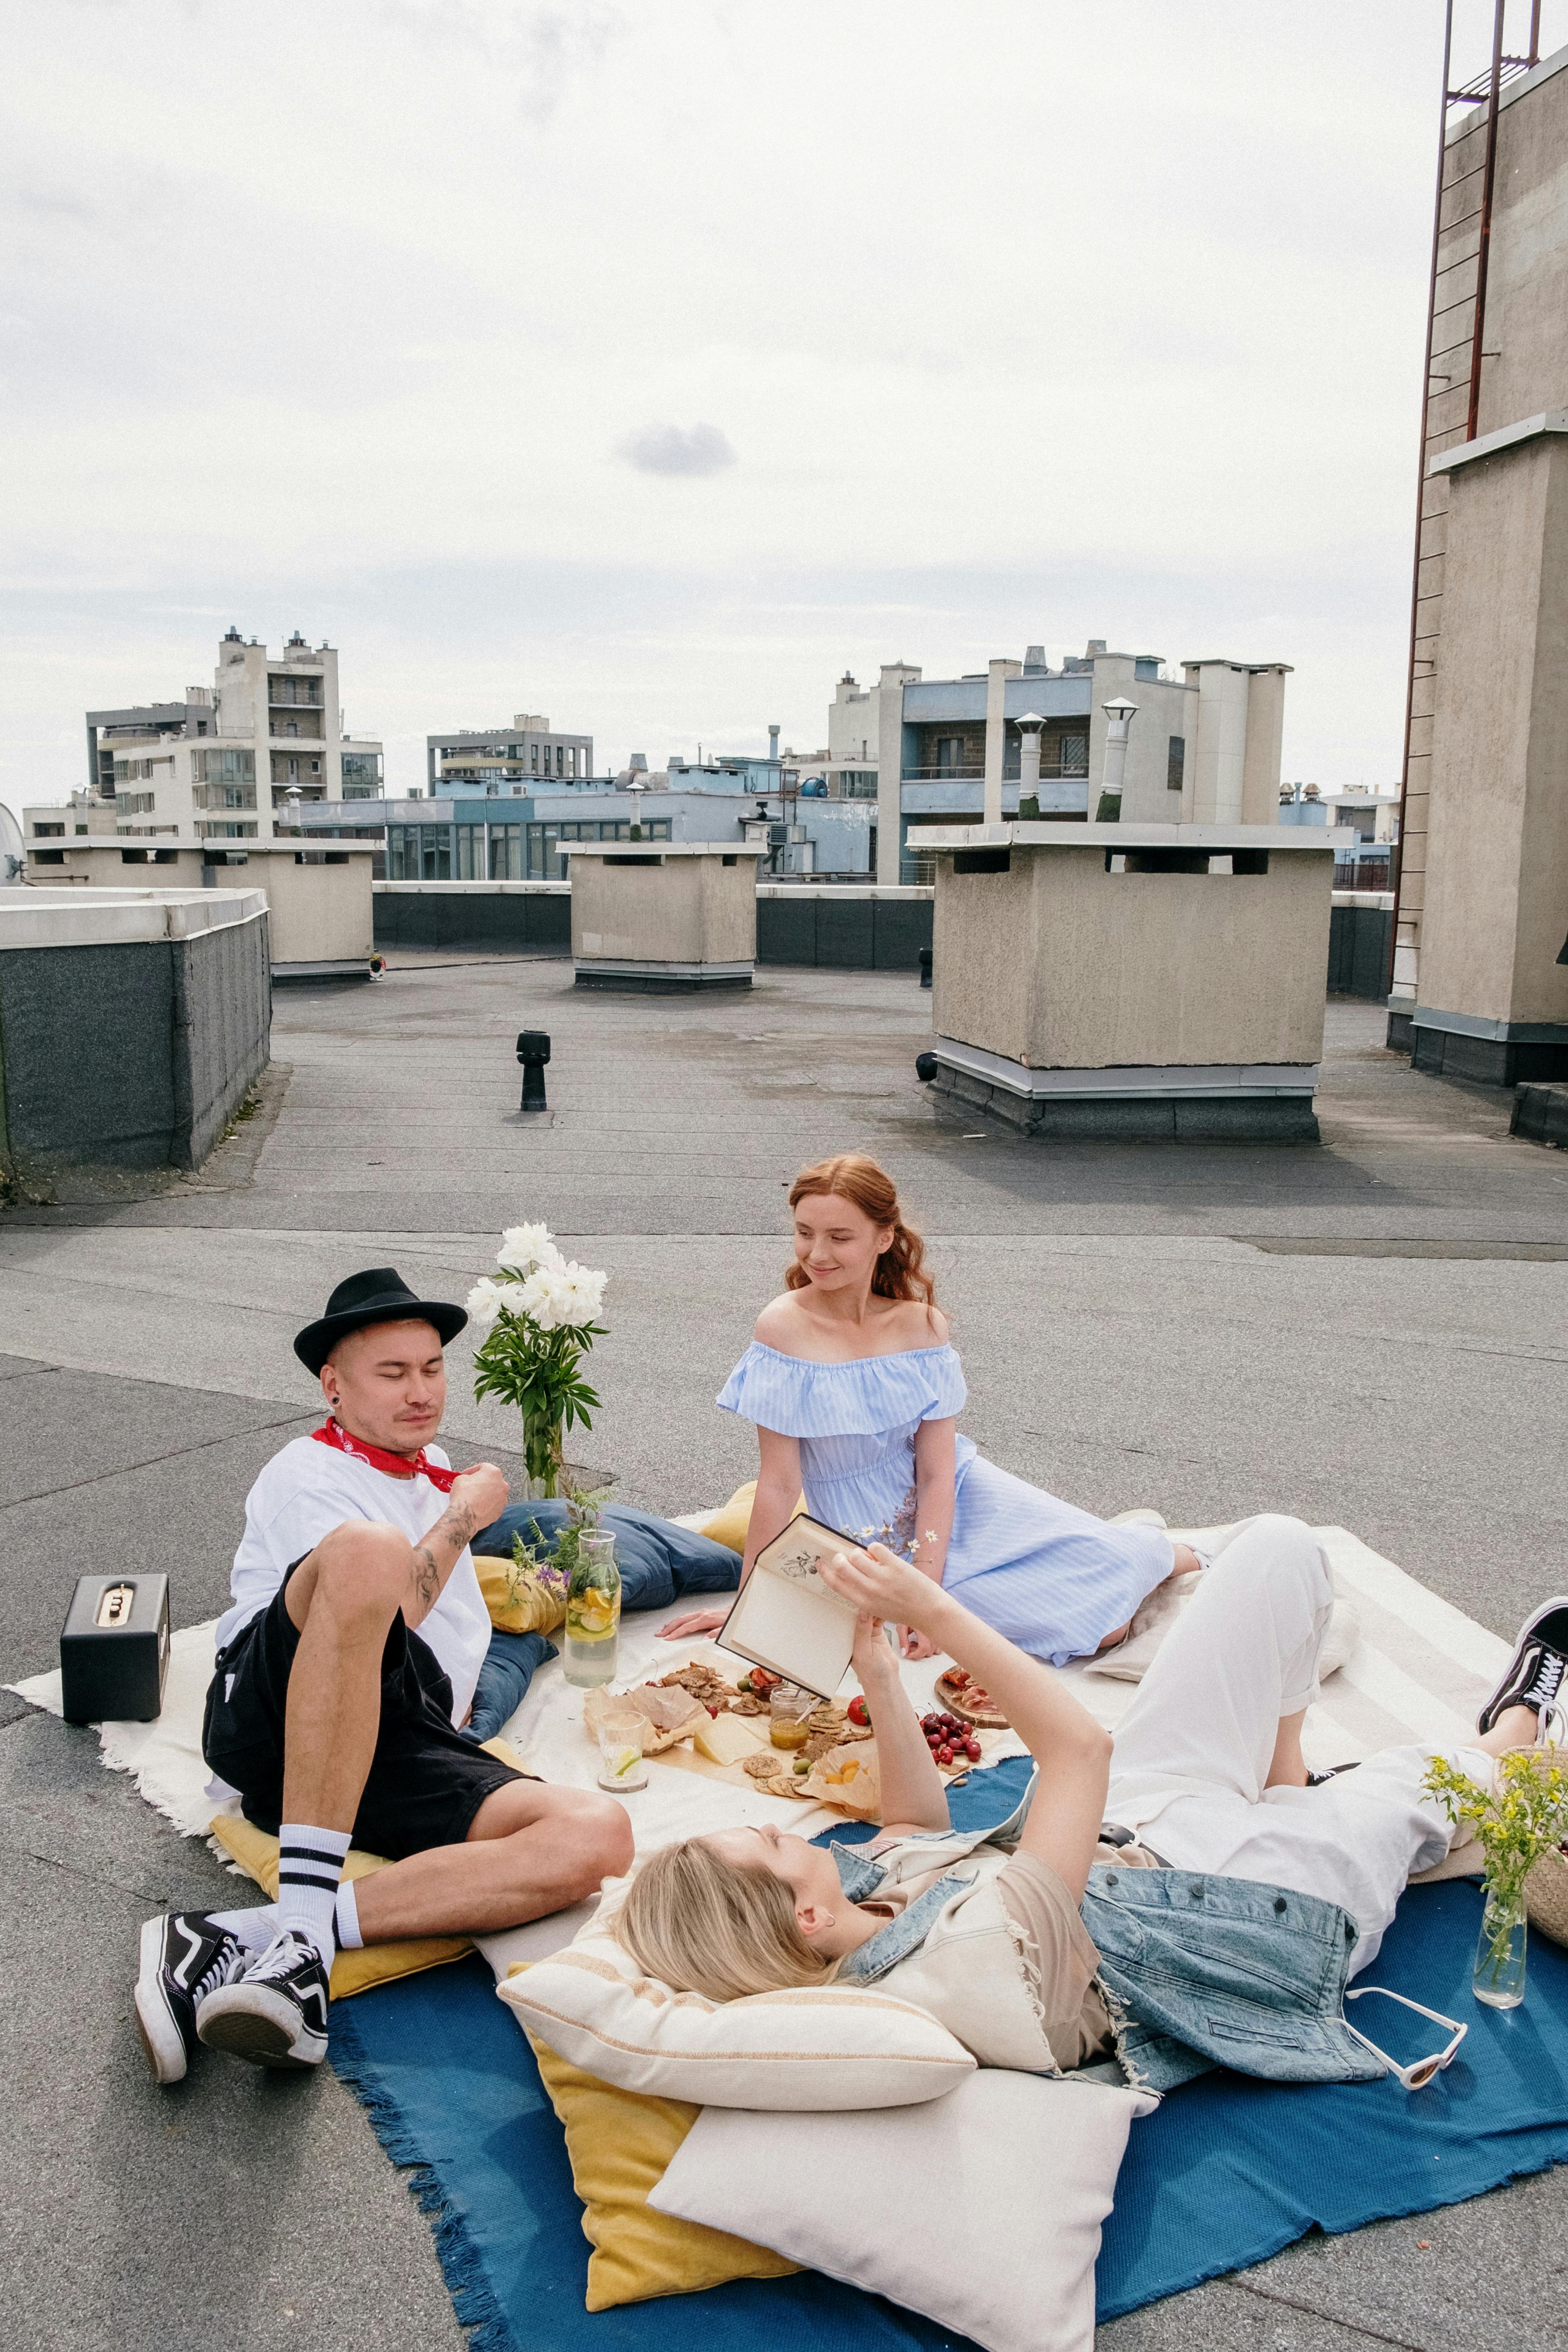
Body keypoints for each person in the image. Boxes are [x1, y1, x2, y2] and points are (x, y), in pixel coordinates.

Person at [625, 1523, 1562, 2090]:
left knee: (1280, 1551)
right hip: (1246, 1908)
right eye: (768, 1846)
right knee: (1427, 1785)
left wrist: (877, 1665)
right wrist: (933, 1609)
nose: (779, 1830)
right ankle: (1524, 1713)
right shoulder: (969, 1958)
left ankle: (1287, 1779)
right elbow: (1078, 1749)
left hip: (1141, 1824)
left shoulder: (853, 1917)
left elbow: (911, 1826)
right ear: (805, 1913)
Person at [134, 1267, 633, 2087]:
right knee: (370, 1549)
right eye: (392, 1373)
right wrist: (465, 1518)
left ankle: (247, 1935)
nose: (421, 1391)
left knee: (597, 1835)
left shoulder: (429, 1461)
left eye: (432, 1368)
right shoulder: (307, 1469)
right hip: (280, 1713)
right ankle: (300, 1945)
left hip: (400, 1731)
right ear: (334, 1386)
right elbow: (388, 1614)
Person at [660, 1152, 1189, 1664]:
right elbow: (778, 1484)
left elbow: (937, 1472)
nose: (816, 1253)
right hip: (863, 1533)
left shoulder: (922, 1326)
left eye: (839, 1237)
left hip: (954, 1497)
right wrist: (751, 1599)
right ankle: (1134, 1550)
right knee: (1097, 1629)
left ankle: (1162, 1552)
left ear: (883, 1238)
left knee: (1114, 1565)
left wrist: (926, 1591)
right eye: (804, 1232)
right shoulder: (781, 1328)